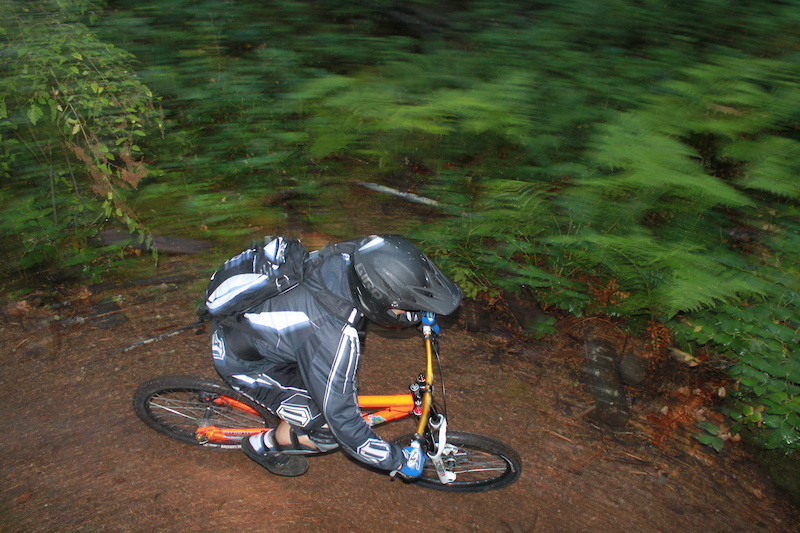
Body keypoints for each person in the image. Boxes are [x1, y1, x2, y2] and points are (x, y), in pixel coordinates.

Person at [210, 234, 462, 479]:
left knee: (327, 381)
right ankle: (261, 446)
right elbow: (345, 425)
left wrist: (419, 310)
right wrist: (398, 461)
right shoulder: (333, 340)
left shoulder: (352, 255)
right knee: (327, 432)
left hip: (256, 322)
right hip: (245, 363)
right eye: (402, 307)